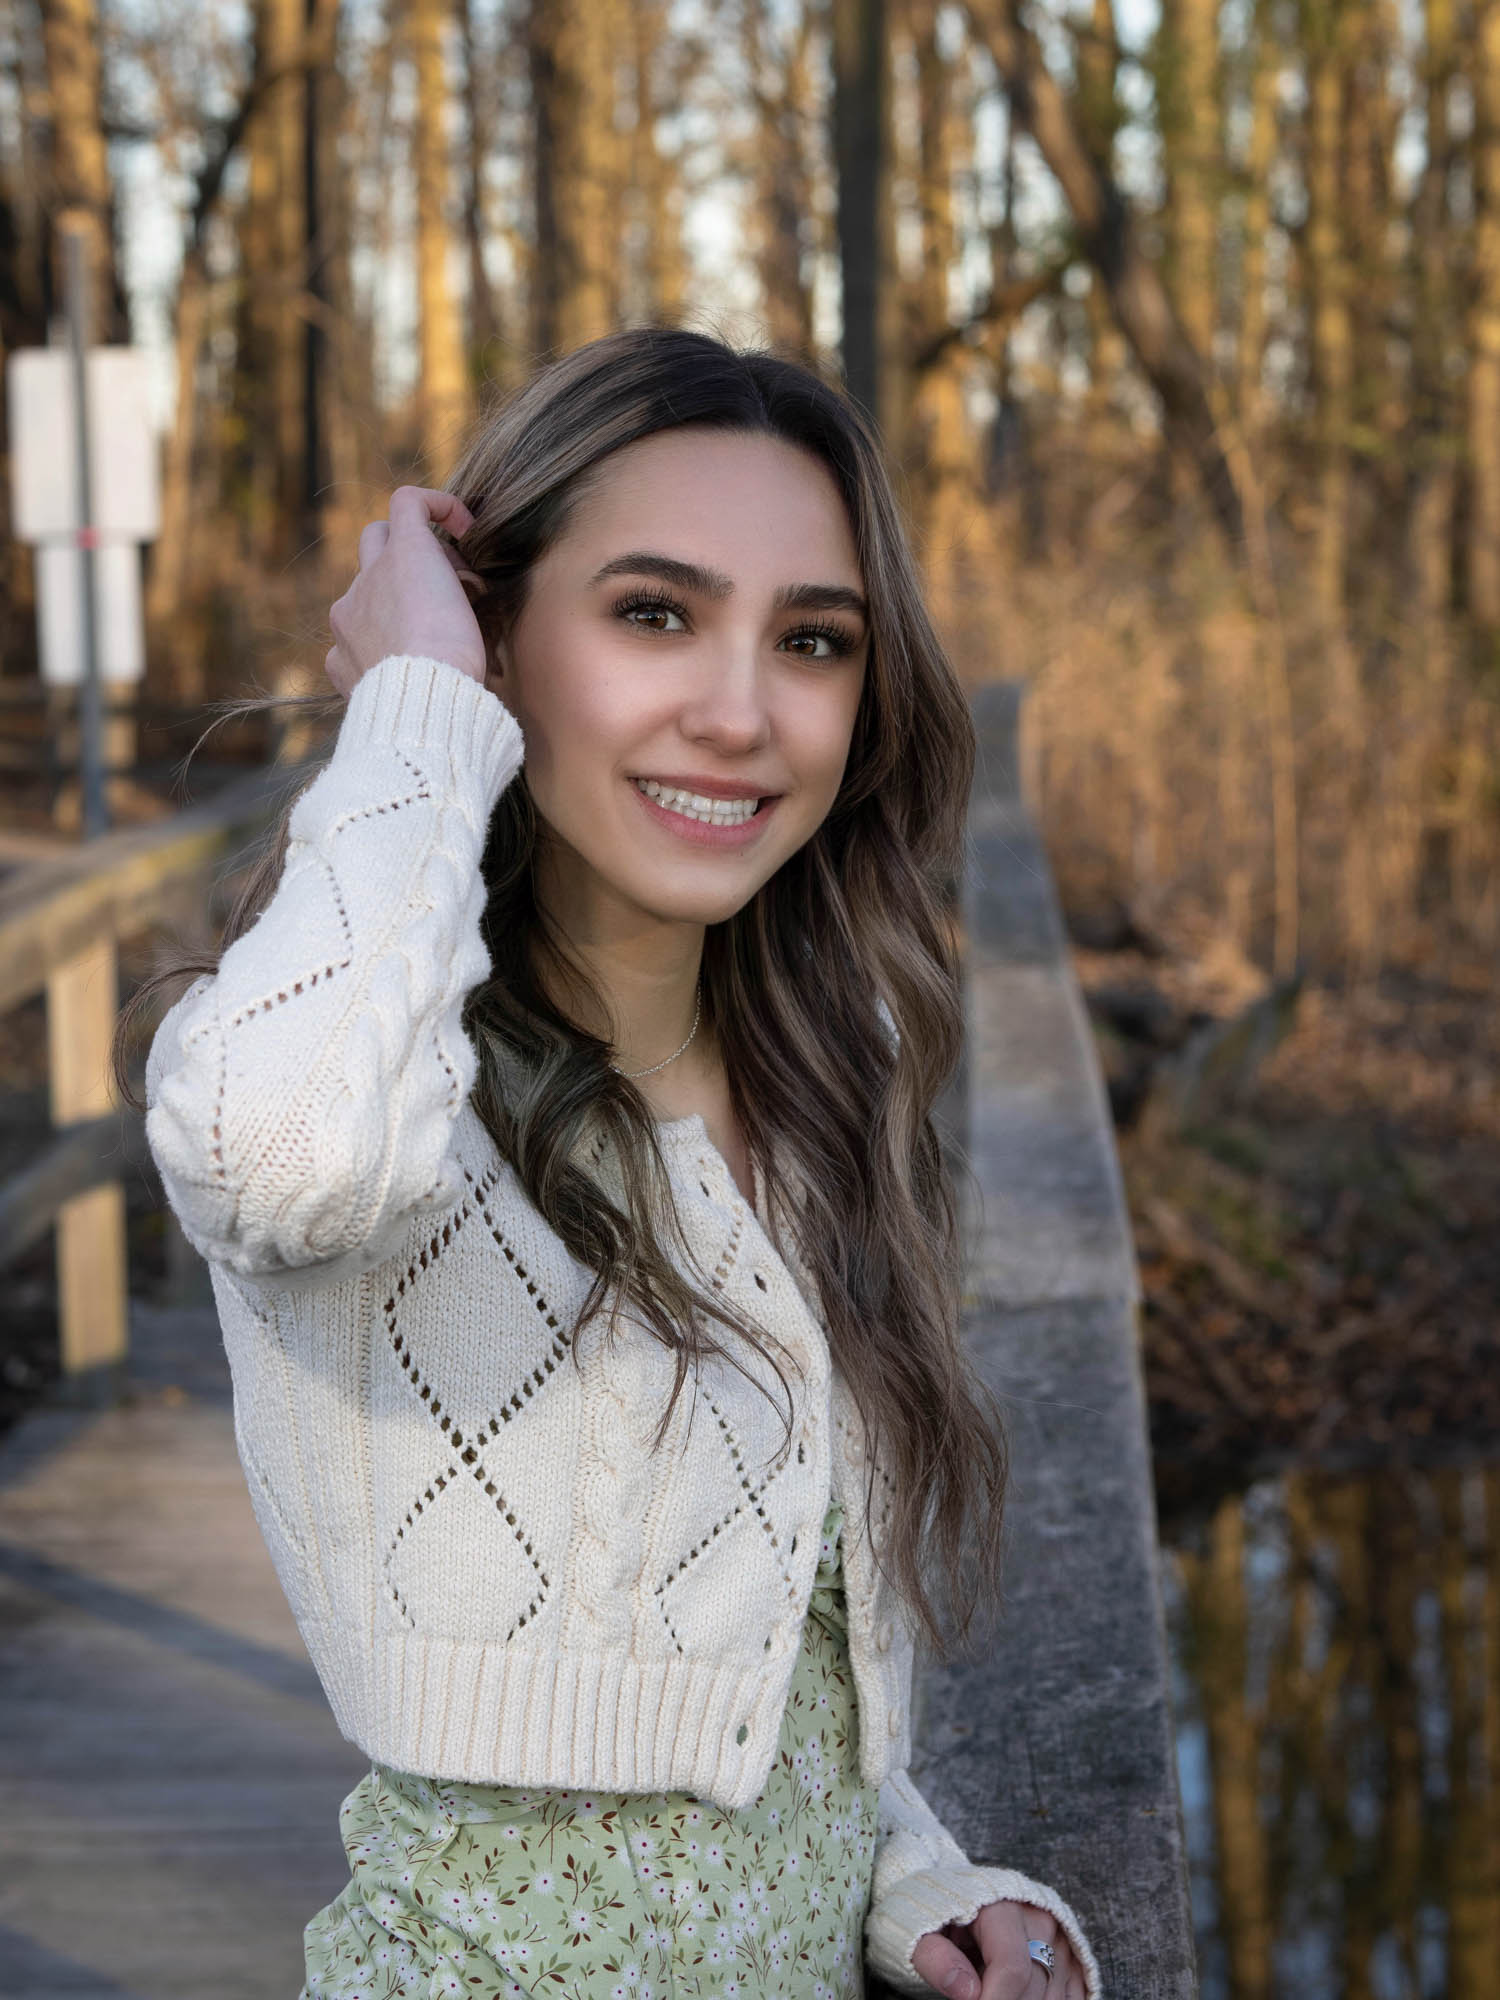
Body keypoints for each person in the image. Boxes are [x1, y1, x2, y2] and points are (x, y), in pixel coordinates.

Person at [139, 329, 1101, 2000]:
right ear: (499, 637)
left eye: (811, 641)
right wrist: (418, 707)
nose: (738, 712)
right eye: (653, 613)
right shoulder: (377, 1086)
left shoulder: (827, 1072)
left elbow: (772, 1683)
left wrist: (920, 1885)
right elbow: (272, 1151)